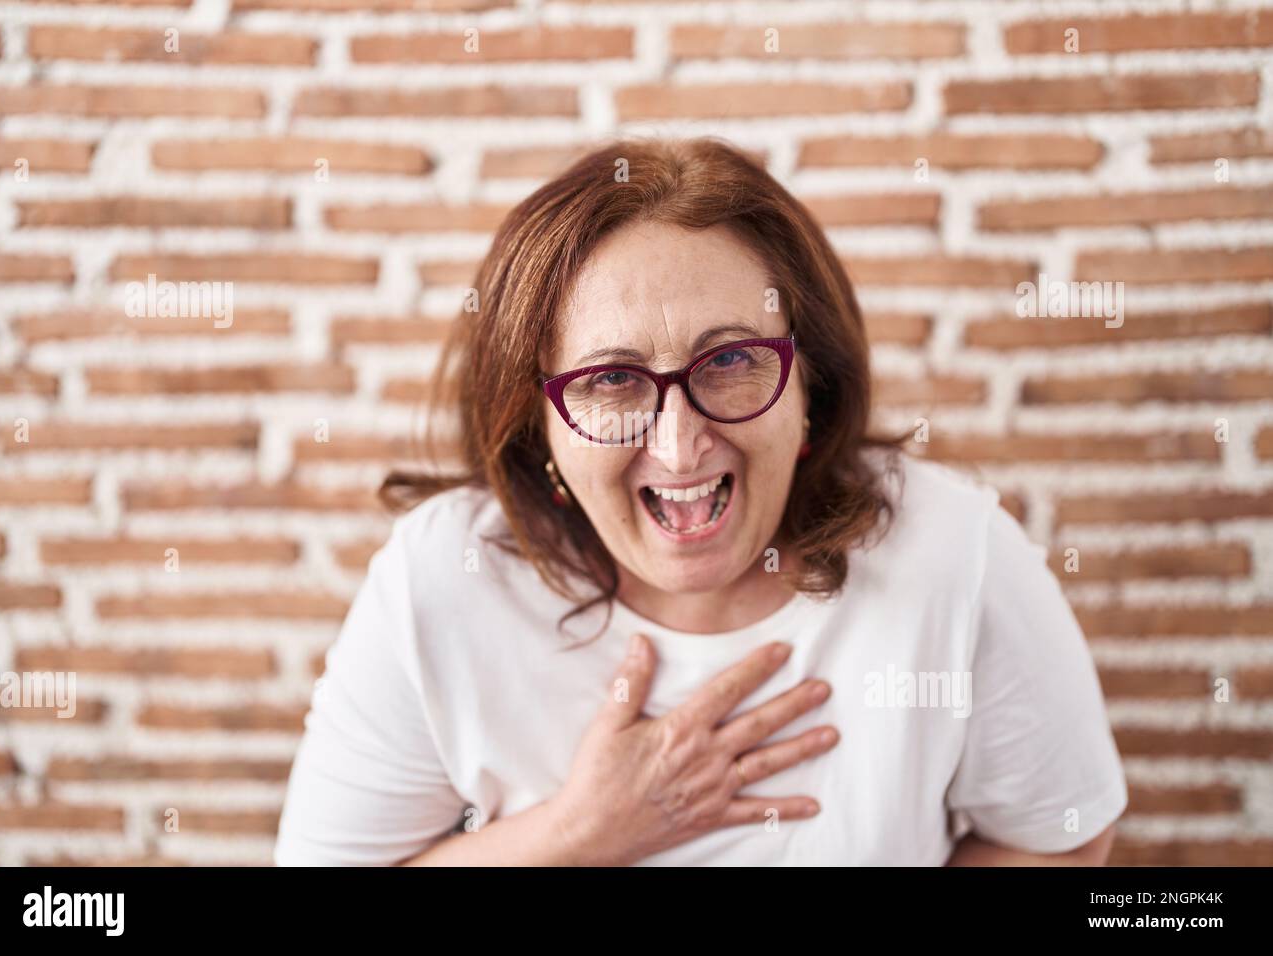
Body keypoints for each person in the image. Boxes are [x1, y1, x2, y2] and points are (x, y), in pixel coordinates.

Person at [274, 137, 1127, 866]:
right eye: (612, 380)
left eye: (729, 361)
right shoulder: (438, 582)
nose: (679, 445)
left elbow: (1060, 838)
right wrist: (579, 831)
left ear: (810, 391)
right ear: (539, 425)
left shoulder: (953, 555)